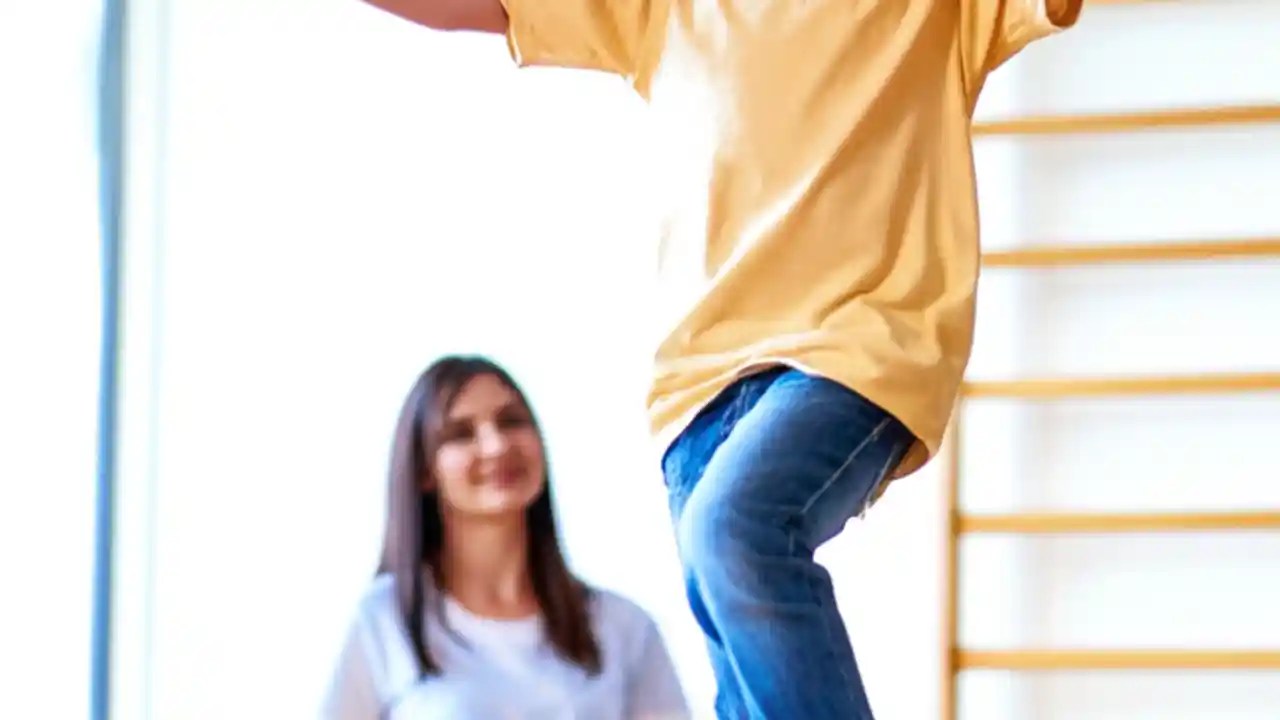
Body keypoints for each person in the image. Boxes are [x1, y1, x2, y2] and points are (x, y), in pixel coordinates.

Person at [353, 2, 1084, 718]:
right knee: (742, 685)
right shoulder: (665, 11)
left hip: (859, 347)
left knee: (733, 530)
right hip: (698, 385)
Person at [321, 355, 689, 719]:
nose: (496, 445)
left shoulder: (623, 627)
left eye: (511, 421)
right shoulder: (383, 621)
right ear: (424, 472)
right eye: (461, 433)